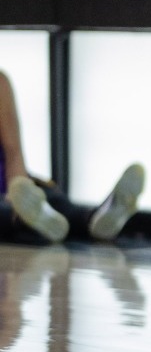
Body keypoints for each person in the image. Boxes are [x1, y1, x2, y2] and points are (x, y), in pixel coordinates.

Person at [0, 69, 143, 245]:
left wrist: (16, 192)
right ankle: (27, 220)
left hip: (11, 187)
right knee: (9, 214)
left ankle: (98, 217)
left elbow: (13, 152)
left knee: (54, 201)